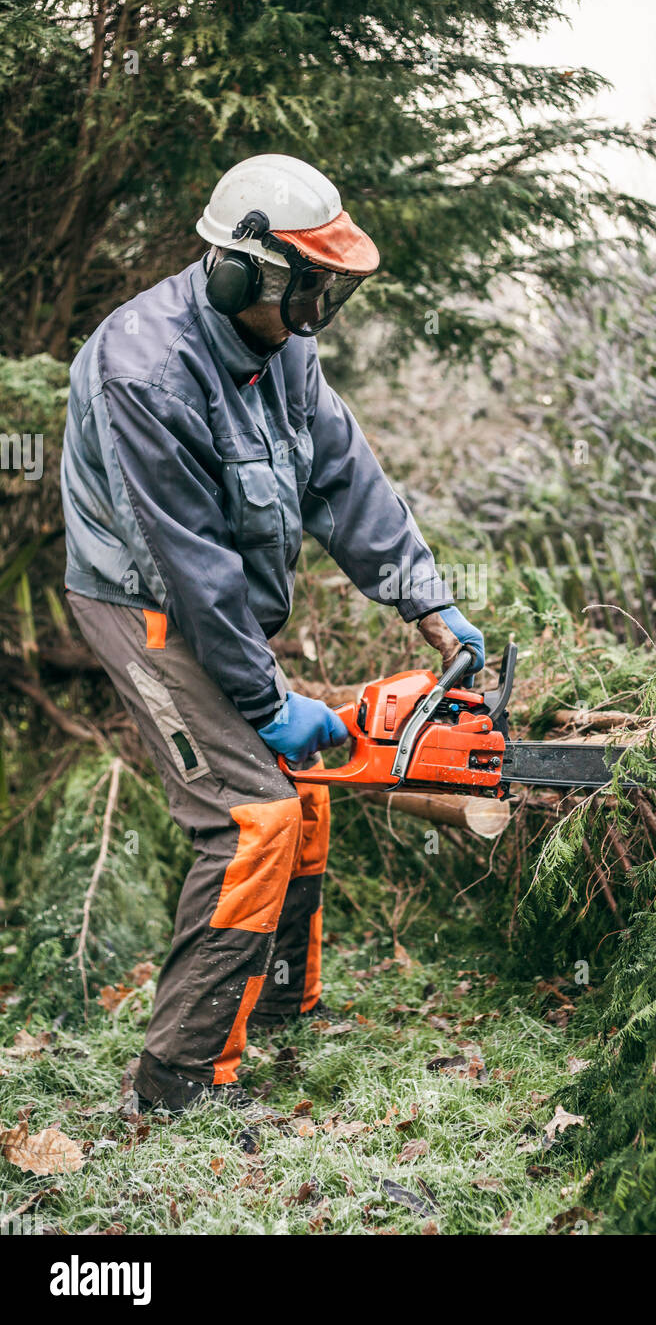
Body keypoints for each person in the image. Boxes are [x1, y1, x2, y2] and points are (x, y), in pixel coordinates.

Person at [60, 154, 484, 1115]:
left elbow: (341, 475)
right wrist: (264, 703)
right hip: (144, 607)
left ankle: (281, 997)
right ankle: (176, 1080)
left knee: (303, 786)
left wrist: (427, 598)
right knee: (251, 813)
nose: (323, 301)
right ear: (244, 271)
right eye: (312, 281)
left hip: (212, 601)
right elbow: (188, 567)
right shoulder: (144, 372)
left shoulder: (283, 348)